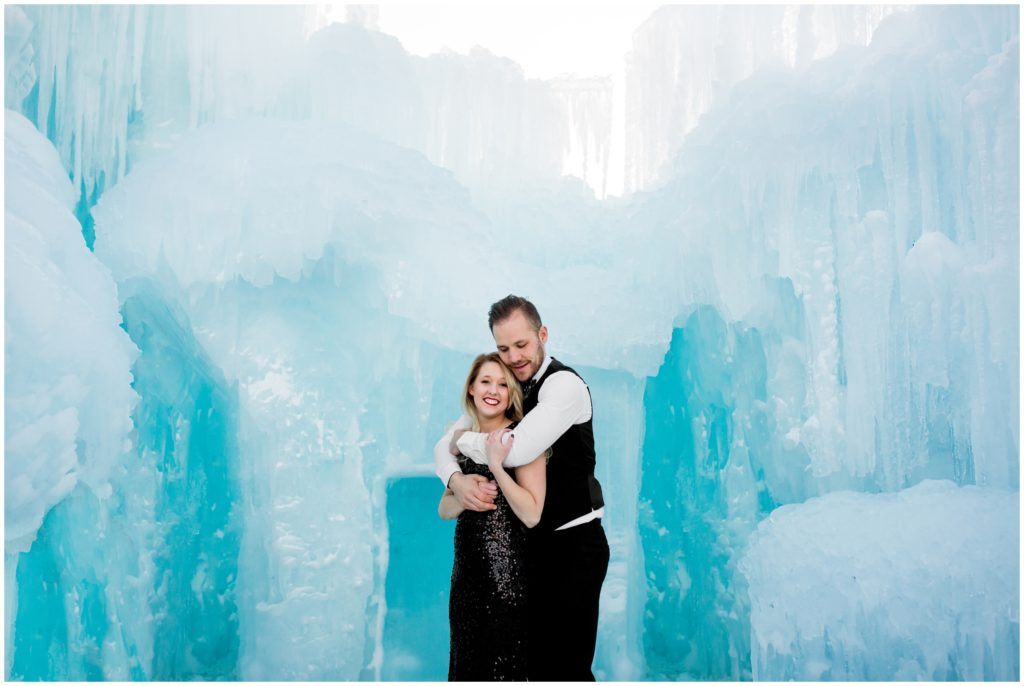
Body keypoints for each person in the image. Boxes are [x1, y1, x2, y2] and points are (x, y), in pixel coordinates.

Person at [434, 295, 609, 681]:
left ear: (542, 334)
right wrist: (455, 479)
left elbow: (519, 449)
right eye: (503, 348)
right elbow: (440, 445)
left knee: (566, 670)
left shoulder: (563, 385)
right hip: (527, 552)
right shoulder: (512, 388)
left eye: (521, 344)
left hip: (573, 546)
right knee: (528, 667)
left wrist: (462, 441)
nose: (513, 356)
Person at [438, 353, 547, 681]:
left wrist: (497, 466)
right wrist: (463, 492)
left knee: (502, 666)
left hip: (507, 584)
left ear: (512, 393)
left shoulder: (523, 440)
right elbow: (443, 510)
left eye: (503, 384)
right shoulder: (463, 441)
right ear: (472, 387)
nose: (493, 390)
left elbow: (531, 514)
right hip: (466, 582)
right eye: (486, 381)